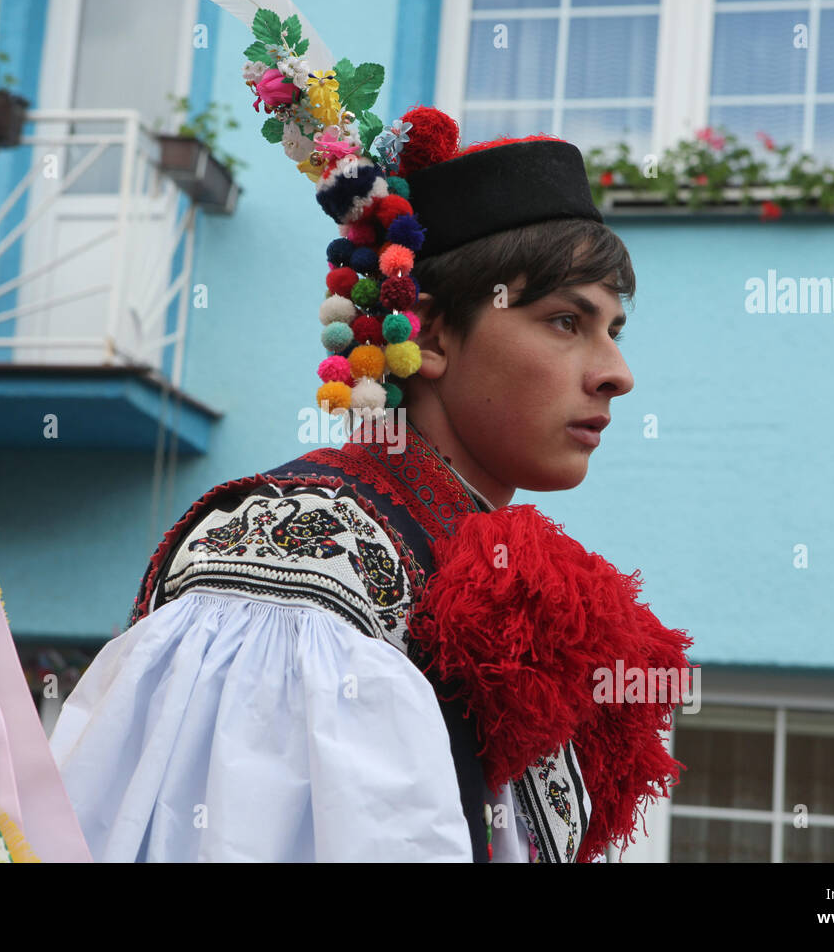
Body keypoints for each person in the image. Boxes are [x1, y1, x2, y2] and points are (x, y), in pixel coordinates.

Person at [48, 103, 693, 863]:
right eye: (564, 322)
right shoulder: (298, 559)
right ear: (427, 331)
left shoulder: (453, 544)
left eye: (613, 331)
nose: (616, 374)